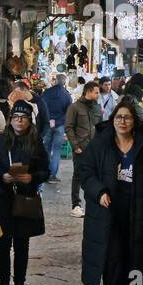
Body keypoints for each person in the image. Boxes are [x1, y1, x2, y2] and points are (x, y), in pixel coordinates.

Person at [77, 98, 143, 285]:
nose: (123, 122)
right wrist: (99, 191)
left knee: (132, 254)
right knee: (112, 255)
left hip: (136, 207)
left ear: (135, 122)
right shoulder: (101, 144)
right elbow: (85, 171)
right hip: (109, 208)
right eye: (119, 117)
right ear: (113, 120)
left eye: (128, 118)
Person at [0, 100, 49, 285]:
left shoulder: (36, 142)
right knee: (2, 244)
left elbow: (45, 170)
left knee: (22, 245)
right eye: (16, 117)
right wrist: (2, 176)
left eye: (23, 117)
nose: (19, 121)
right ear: (10, 119)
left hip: (25, 199)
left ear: (29, 121)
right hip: (3, 199)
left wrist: (31, 178)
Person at [65, 81, 102, 217]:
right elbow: (69, 127)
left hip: (95, 149)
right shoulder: (74, 107)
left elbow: (101, 127)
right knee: (78, 176)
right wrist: (75, 146)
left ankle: (92, 203)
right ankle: (76, 205)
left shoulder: (97, 108)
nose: (98, 95)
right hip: (81, 148)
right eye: (96, 92)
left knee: (95, 176)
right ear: (88, 92)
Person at [40, 73, 72, 181]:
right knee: (57, 150)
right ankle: (52, 175)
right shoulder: (66, 95)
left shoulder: (47, 93)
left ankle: (45, 172)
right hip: (60, 125)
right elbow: (69, 112)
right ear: (64, 82)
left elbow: (41, 107)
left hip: (48, 124)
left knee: (46, 149)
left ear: (55, 81)